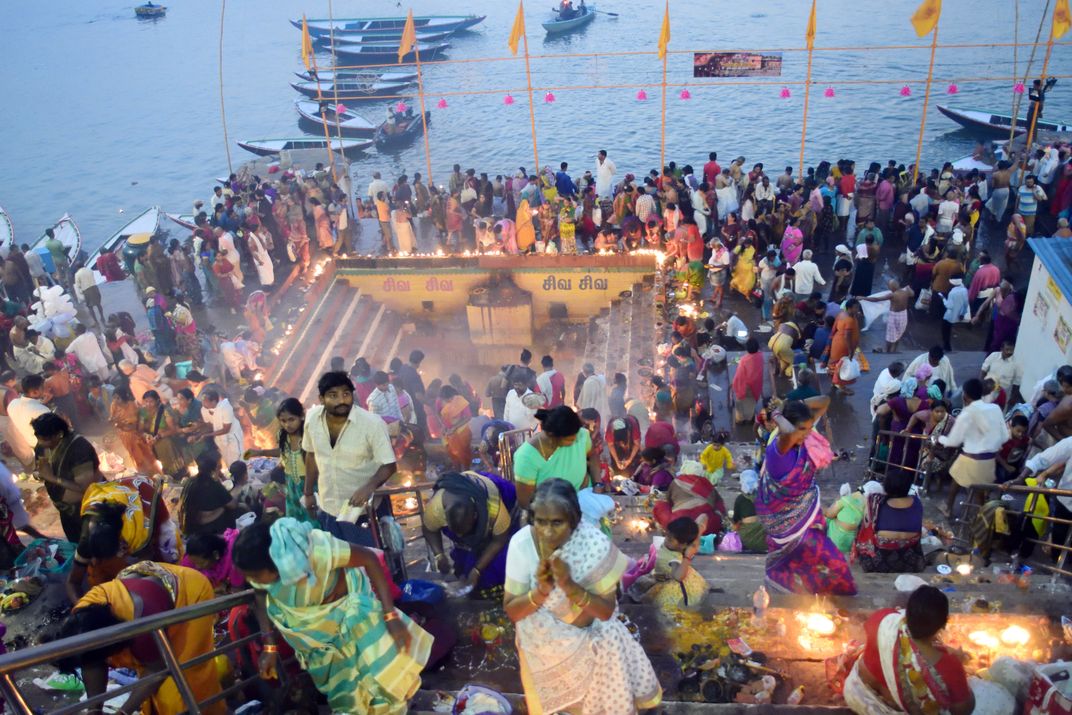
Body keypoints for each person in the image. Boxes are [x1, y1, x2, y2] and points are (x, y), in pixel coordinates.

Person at [233, 518, 431, 715]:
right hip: (320, 649)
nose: (252, 582)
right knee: (345, 696)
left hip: (353, 628)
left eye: (255, 576)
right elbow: (260, 595)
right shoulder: (263, 574)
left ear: (276, 565)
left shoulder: (317, 551)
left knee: (380, 685)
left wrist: (390, 616)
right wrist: (269, 646)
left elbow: (369, 558)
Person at [504, 479, 662, 714]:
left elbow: (606, 612)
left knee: (605, 647)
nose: (547, 532)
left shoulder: (592, 542)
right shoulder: (521, 544)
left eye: (557, 522)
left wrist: (570, 587)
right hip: (539, 643)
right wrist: (540, 593)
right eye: (540, 522)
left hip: (590, 636)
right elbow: (513, 611)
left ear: (574, 521)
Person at [58, 562, 225, 715]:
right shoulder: (83, 613)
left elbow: (157, 669)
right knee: (152, 683)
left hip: (190, 592)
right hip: (147, 590)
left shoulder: (142, 629)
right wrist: (94, 709)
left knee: (181, 684)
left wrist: (123, 712)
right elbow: (93, 662)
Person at [756, 397, 856, 595]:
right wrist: (777, 414)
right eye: (802, 429)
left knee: (821, 561)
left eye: (809, 428)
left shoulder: (803, 442)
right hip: (784, 521)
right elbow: (790, 432)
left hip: (805, 514)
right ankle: (786, 584)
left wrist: (789, 402)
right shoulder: (779, 451)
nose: (807, 434)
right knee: (829, 561)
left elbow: (825, 401)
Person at [843, 586, 974, 715]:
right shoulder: (950, 666)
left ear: (906, 613)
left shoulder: (883, 620)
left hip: (858, 695)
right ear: (945, 623)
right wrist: (961, 674)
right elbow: (962, 710)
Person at [303, 371, 397, 546]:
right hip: (328, 506)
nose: (341, 401)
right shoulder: (312, 419)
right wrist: (308, 493)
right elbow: (311, 455)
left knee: (371, 563)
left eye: (346, 394)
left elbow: (389, 465)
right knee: (340, 564)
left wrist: (368, 487)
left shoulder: (372, 424)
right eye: (333, 395)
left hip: (363, 511)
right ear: (321, 398)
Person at [422, 470, 518, 594]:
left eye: (464, 532)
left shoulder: (495, 509)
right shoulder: (436, 509)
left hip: (504, 498)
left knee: (499, 565)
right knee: (464, 568)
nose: (460, 538)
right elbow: (429, 530)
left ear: (475, 516)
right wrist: (439, 555)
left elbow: (499, 540)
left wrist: (477, 570)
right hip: (470, 491)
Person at [939, 378, 1009, 517]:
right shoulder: (995, 408)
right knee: (978, 488)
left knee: (958, 479)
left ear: (965, 395)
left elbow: (953, 441)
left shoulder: (966, 413)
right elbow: (1005, 436)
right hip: (989, 459)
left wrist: (941, 439)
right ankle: (982, 515)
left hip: (971, 458)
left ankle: (949, 508)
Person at [513, 406, 598, 508]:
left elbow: (593, 456)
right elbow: (525, 502)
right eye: (570, 440)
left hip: (585, 500)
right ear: (551, 436)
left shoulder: (581, 435)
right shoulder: (526, 457)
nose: (575, 440)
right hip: (550, 512)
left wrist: (597, 484)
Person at [854, 470, 925, 573]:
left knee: (864, 522)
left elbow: (866, 524)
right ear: (908, 486)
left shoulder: (875, 501)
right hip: (910, 562)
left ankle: (865, 554)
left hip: (878, 562)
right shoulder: (917, 503)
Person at [632, 516, 708, 610]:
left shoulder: (677, 545)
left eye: (670, 539)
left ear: (684, 544)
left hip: (673, 573)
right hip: (671, 580)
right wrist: (687, 557)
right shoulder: (672, 558)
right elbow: (678, 577)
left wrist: (699, 531)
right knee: (673, 608)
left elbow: (703, 516)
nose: (665, 540)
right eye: (667, 536)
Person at [653, 461, 726, 535]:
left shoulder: (677, 481)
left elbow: (668, 501)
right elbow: (720, 506)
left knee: (660, 505)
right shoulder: (707, 483)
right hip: (708, 526)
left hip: (681, 525)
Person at [180, 452, 237, 537]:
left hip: (188, 526)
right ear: (213, 470)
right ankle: (229, 537)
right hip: (205, 528)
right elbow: (233, 505)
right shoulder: (213, 484)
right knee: (231, 510)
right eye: (218, 467)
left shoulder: (190, 481)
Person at [181, 529, 246, 593]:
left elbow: (238, 592)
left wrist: (225, 589)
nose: (197, 567)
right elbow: (184, 581)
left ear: (215, 554)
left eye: (202, 563)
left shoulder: (233, 559)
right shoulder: (192, 557)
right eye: (194, 563)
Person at [862, 279, 914, 353]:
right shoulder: (906, 292)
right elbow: (912, 294)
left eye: (889, 287)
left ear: (892, 288)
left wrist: (863, 298)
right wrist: (908, 288)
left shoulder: (892, 295)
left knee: (890, 336)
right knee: (899, 333)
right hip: (903, 315)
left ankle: (888, 351)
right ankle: (894, 349)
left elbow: (876, 299)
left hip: (894, 316)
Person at [826, 299, 862, 395]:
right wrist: (851, 351)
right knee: (842, 366)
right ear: (849, 308)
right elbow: (847, 336)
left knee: (835, 363)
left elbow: (834, 328)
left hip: (837, 342)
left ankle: (834, 382)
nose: (858, 309)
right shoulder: (849, 320)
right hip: (844, 346)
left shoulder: (841, 314)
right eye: (856, 308)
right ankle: (841, 386)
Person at [438, 385, 473, 469]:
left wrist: (455, 427)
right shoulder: (441, 402)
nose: (447, 401)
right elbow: (442, 417)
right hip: (449, 433)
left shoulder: (461, 401)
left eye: (449, 399)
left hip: (463, 431)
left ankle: (466, 473)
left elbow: (468, 417)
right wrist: (444, 428)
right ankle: (457, 472)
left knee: (464, 455)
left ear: (453, 395)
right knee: (453, 456)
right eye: (445, 400)